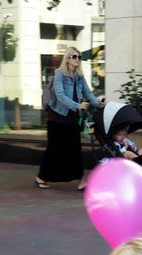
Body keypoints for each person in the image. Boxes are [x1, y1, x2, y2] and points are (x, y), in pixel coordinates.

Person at [35, 46, 101, 191]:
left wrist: (98, 103)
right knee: (54, 150)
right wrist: (77, 105)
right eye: (74, 56)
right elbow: (60, 96)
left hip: (72, 117)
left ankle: (81, 180)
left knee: (75, 149)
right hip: (57, 117)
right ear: (68, 58)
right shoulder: (60, 74)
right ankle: (41, 177)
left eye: (79, 57)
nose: (77, 59)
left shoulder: (79, 76)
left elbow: (87, 92)